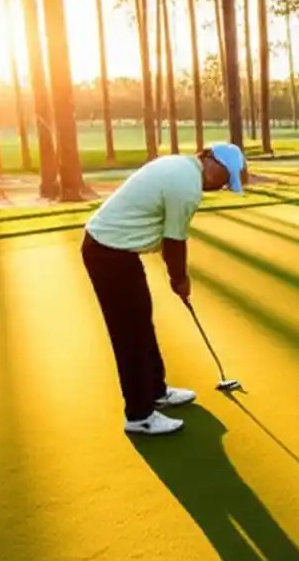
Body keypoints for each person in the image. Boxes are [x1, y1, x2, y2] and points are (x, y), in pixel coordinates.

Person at [81, 143, 248, 435]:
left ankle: (156, 391)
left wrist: (176, 277)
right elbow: (174, 242)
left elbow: (162, 229)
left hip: (114, 251)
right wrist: (179, 280)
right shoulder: (187, 187)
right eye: (225, 178)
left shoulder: (180, 168)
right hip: (109, 253)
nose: (221, 186)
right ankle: (139, 415)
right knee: (130, 334)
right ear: (211, 162)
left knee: (141, 324)